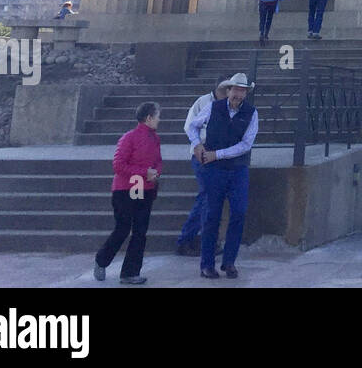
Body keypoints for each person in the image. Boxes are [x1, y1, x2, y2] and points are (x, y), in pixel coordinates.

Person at [186, 73, 258, 279]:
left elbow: (246, 145)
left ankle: (229, 261)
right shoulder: (213, 107)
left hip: (236, 169)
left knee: (239, 212)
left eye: (242, 90)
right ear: (228, 90)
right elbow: (192, 125)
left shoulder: (251, 113)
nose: (238, 94)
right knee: (211, 215)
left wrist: (216, 154)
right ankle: (207, 264)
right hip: (215, 170)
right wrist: (197, 145)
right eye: (235, 89)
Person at [94, 101, 162, 285]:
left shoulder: (155, 138)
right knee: (123, 228)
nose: (158, 120)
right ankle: (101, 260)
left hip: (143, 187)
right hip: (127, 187)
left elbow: (158, 161)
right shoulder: (129, 137)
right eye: (157, 116)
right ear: (148, 118)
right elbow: (118, 165)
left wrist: (155, 173)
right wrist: (144, 173)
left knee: (140, 230)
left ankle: (130, 272)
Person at [174, 79, 231, 257]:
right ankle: (187, 240)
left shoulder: (230, 106)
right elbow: (189, 126)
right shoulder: (203, 102)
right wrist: (199, 145)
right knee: (206, 198)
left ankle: (207, 240)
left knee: (213, 200)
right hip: (202, 154)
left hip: (219, 156)